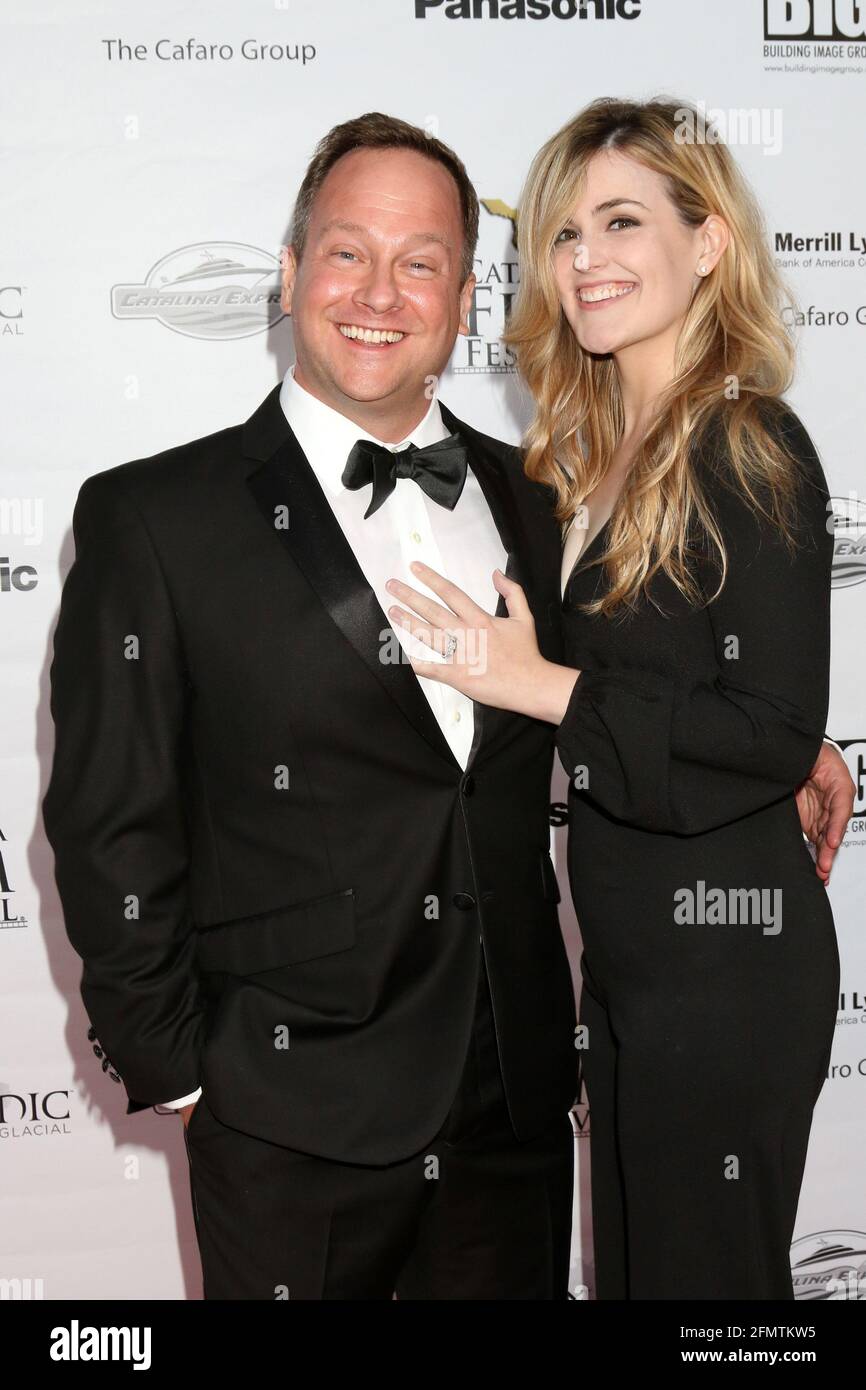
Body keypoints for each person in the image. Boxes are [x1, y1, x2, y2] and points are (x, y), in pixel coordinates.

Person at [42, 113, 582, 1301]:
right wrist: (183, 1072)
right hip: (288, 1120)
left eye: (422, 261)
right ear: (289, 276)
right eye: (347, 252)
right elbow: (107, 817)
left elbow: (607, 706)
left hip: (512, 1107)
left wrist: (781, 743)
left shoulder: (534, 499)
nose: (381, 292)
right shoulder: (155, 518)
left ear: (462, 299)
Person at [385, 97, 849, 1300]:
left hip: (725, 966)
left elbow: (765, 727)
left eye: (621, 221)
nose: (584, 259)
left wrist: (540, 684)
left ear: (707, 244)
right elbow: (714, 697)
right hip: (636, 965)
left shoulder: (746, 444)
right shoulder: (593, 450)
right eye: (563, 232)